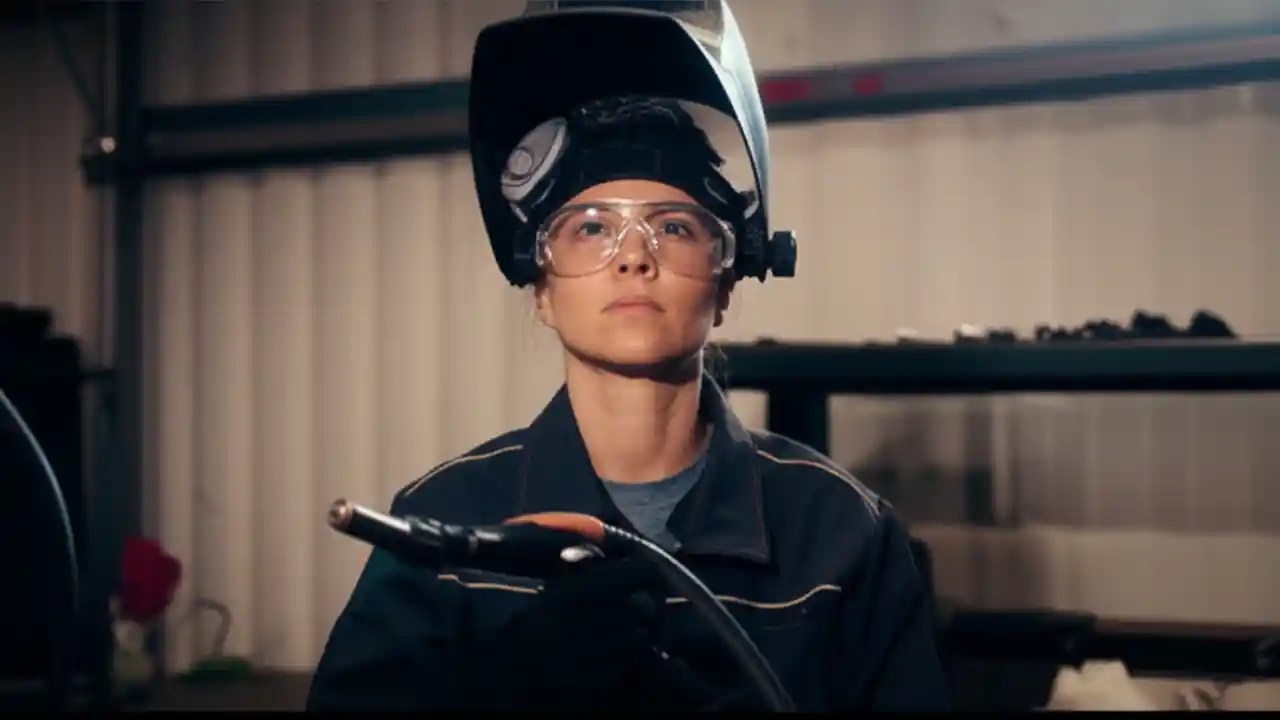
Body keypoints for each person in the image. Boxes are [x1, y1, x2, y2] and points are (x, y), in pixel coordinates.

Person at [307, 2, 949, 712]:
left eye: (673, 227)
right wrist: (500, 690)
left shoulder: (841, 535)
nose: (634, 257)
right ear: (541, 291)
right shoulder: (447, 523)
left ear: (727, 283)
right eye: (590, 228)